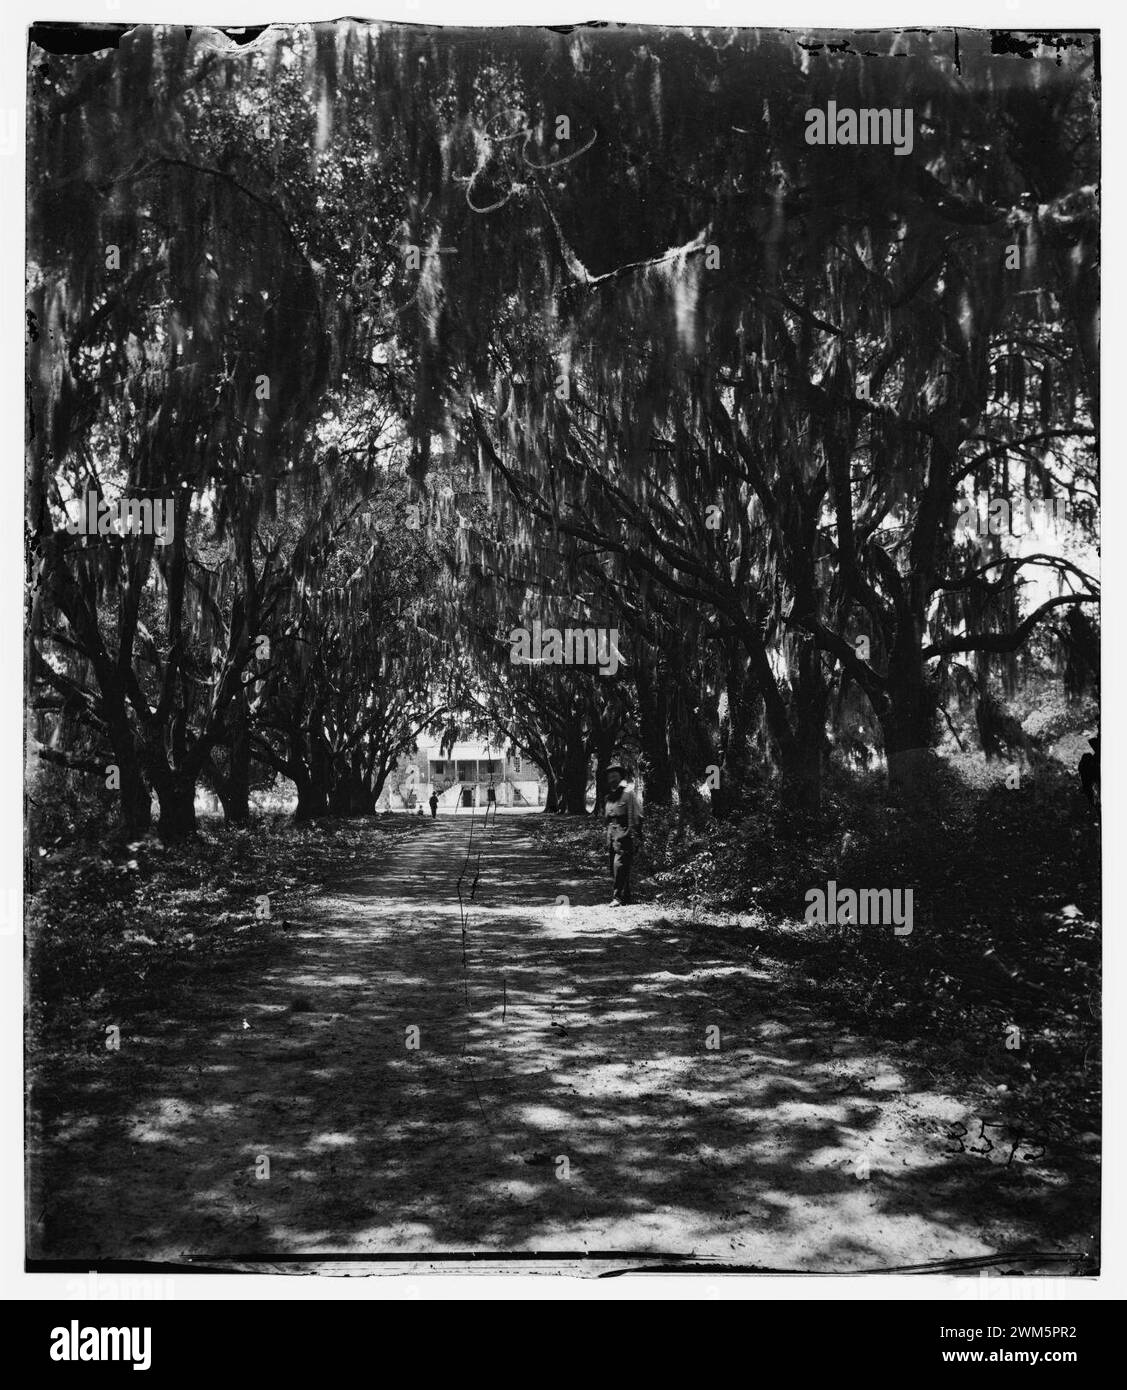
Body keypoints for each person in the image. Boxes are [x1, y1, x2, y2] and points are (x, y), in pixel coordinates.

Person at [604, 763, 642, 906]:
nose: (612, 777)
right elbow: (607, 819)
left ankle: (617, 897)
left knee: (619, 865)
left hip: (624, 833)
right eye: (610, 775)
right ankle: (626, 896)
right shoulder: (609, 797)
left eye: (615, 774)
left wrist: (634, 834)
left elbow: (636, 815)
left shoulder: (628, 793)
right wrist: (608, 835)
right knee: (614, 867)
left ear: (621, 776)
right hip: (611, 834)